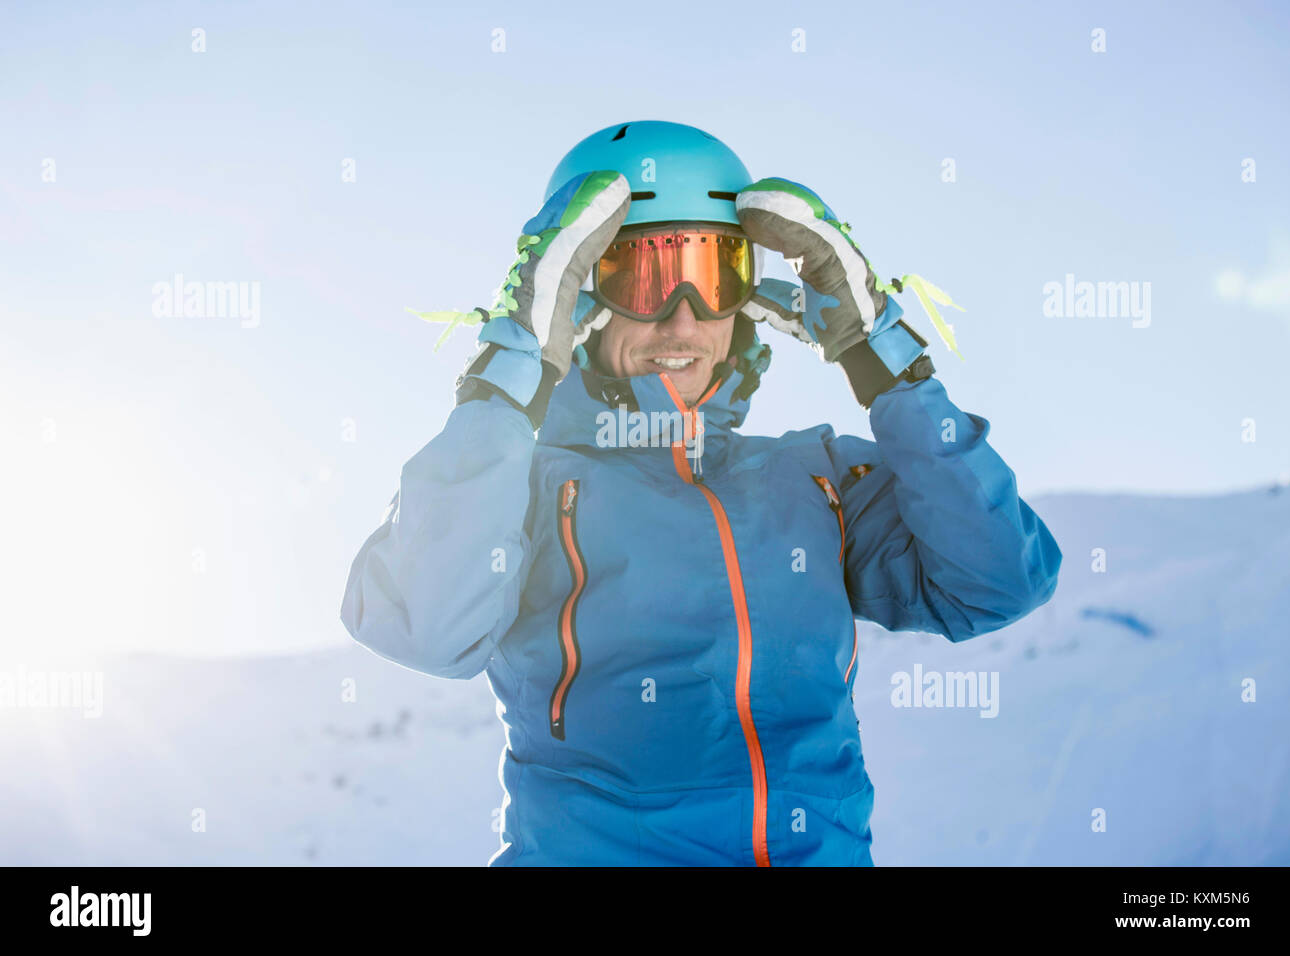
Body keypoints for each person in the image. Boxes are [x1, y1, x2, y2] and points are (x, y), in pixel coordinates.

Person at [341, 120, 1061, 866]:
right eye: (643, 277)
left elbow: (998, 581)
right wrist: (511, 370)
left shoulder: (816, 481)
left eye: (715, 276)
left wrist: (879, 354)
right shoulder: (518, 485)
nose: (683, 317)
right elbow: (424, 628)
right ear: (577, 305)